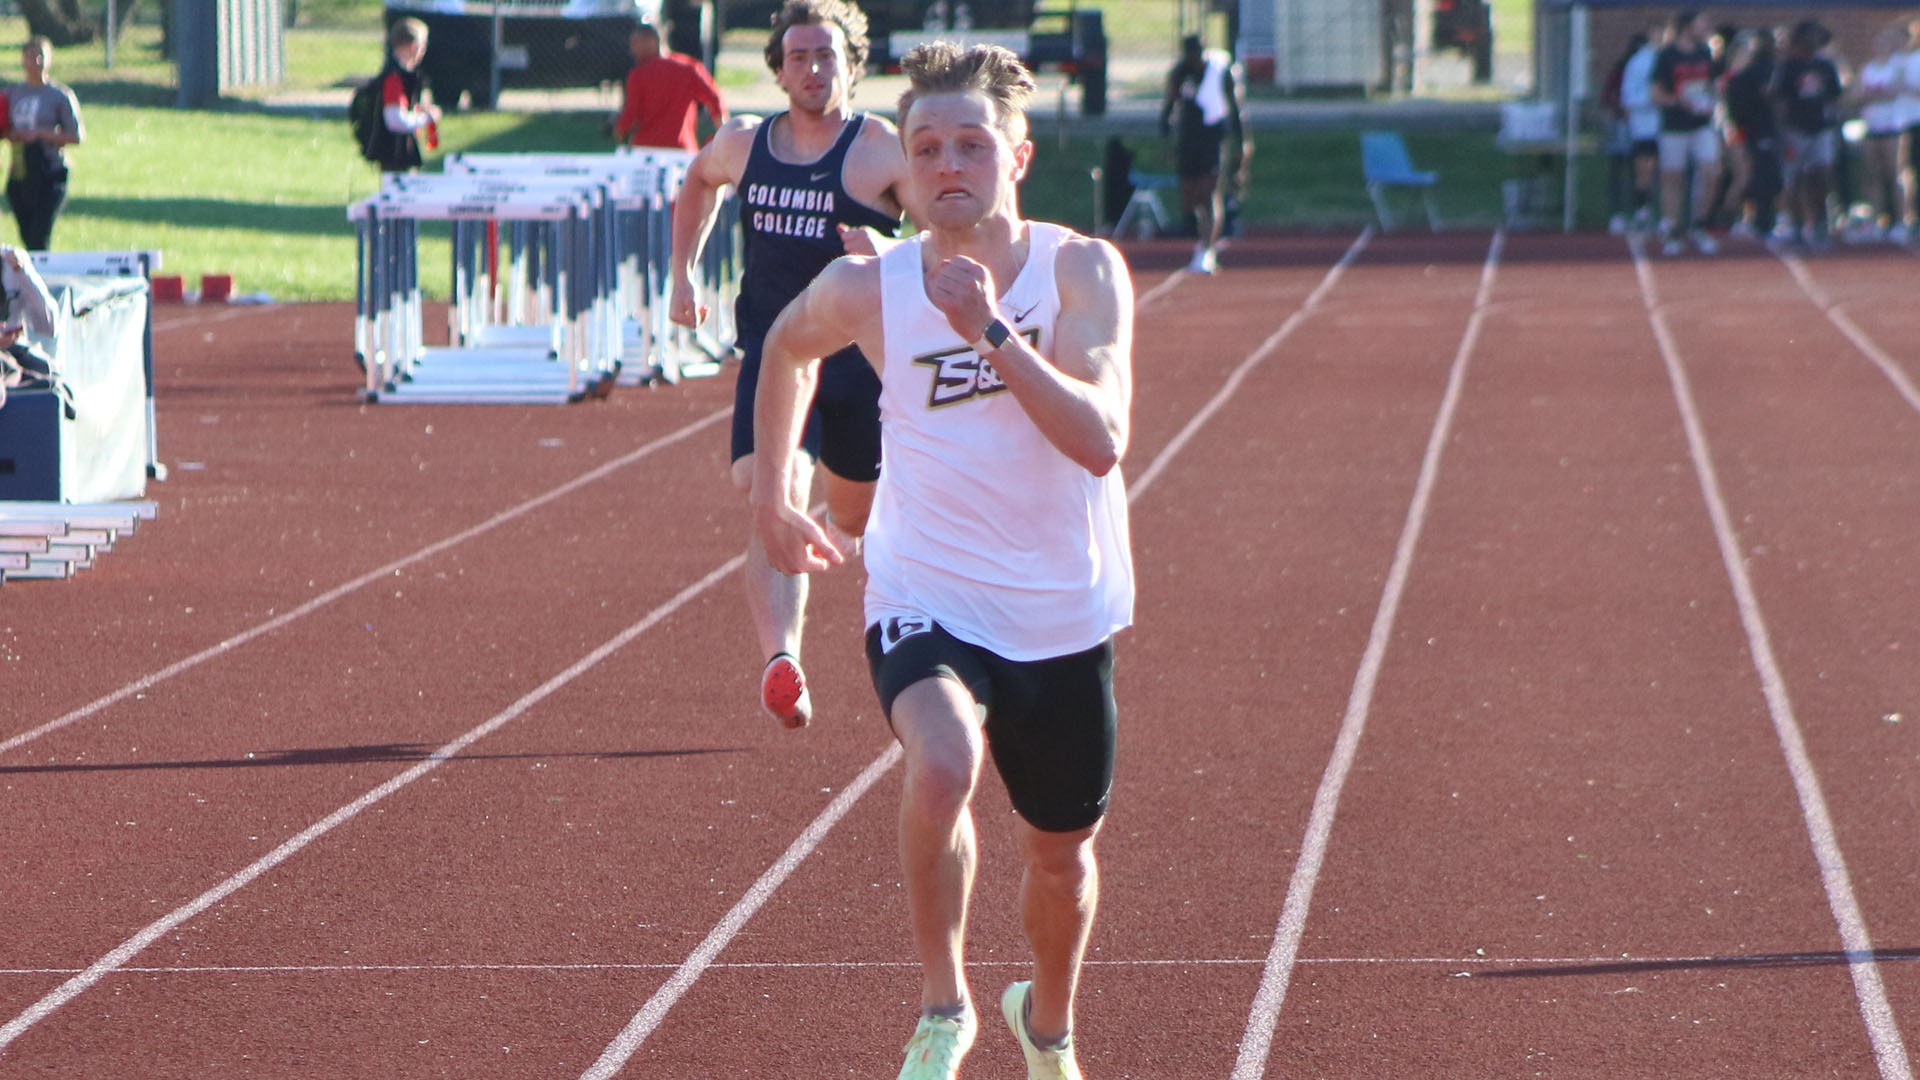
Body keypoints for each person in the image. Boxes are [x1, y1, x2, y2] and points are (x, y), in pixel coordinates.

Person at [751, 40, 1135, 1080]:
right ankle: (942, 1006)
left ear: (1019, 156)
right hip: (925, 588)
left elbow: (1100, 440)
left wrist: (991, 332)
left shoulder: (1079, 270)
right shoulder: (870, 285)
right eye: (926, 148)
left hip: (1058, 606)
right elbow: (784, 346)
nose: (948, 165)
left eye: (971, 144)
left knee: (1060, 858)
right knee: (944, 765)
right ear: (905, 169)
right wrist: (773, 497)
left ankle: (1045, 1025)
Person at [667, 0, 908, 727]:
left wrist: (894, 252)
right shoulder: (745, 143)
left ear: (852, 66)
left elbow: (952, 228)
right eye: (798, 56)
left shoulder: (882, 150)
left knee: (854, 514)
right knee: (768, 493)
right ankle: (783, 660)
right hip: (776, 358)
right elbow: (698, 180)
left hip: (860, 367)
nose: (812, 69)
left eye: (826, 55)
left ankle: (846, 529)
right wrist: (683, 272)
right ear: (778, 69)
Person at [1158, 34, 1244, 275]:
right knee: (1190, 197)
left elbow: (1234, 108)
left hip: (1212, 139)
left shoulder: (1220, 72)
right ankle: (1201, 238)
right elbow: (1168, 105)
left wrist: (1241, 143)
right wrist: (1165, 138)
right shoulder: (1179, 73)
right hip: (1187, 140)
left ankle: (1207, 248)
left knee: (1209, 193)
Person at [1652, 9, 1723, 255]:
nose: (1705, 27)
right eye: (1700, 23)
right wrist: (1678, 101)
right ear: (1687, 27)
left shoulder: (1705, 52)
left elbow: (1713, 84)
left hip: (1702, 124)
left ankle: (1699, 225)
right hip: (1674, 126)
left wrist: (1712, 100)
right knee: (1673, 178)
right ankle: (1671, 229)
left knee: (1711, 171)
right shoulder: (1667, 55)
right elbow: (1656, 93)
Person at [5, 37, 82, 251]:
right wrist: (14, 135)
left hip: (50, 172)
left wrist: (40, 134)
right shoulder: (12, 95)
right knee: (28, 235)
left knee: (39, 235)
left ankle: (41, 270)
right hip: (21, 172)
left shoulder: (59, 96)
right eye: (30, 56)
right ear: (22, 60)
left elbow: (75, 136)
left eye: (41, 55)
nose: (36, 61)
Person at [1773, 18, 1843, 251]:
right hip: (1796, 129)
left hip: (1821, 129)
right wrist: (1782, 132)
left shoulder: (1826, 65)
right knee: (1795, 180)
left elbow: (1834, 96)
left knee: (1820, 176)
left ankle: (1821, 224)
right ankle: (1797, 226)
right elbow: (1779, 99)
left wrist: (1833, 122)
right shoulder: (1788, 66)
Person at [611, 19, 726, 152]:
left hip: (645, 150)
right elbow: (714, 99)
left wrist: (619, 131)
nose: (632, 49)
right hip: (682, 149)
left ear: (652, 41)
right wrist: (723, 135)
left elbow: (630, 115)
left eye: (636, 42)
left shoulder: (638, 74)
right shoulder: (689, 68)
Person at [1724, 27, 1783, 241]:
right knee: (1744, 178)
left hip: (1756, 131)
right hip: (1739, 131)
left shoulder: (1757, 74)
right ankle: (1730, 218)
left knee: (1759, 177)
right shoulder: (1734, 79)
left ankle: (1751, 218)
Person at [1853, 24, 1910, 242]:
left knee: (1894, 173)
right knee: (1872, 174)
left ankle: (1901, 220)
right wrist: (1874, 95)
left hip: (1892, 126)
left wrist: (1874, 95)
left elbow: (1894, 91)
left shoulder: (1897, 67)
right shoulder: (1867, 69)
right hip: (1872, 126)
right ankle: (1877, 219)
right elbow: (1857, 94)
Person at [369, 18, 440, 174]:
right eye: (422, 45)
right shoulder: (394, 78)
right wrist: (426, 118)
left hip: (401, 155)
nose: (423, 50)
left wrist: (418, 111)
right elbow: (395, 121)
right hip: (395, 157)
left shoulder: (403, 76)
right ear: (413, 45)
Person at [0, 242, 53, 411]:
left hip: (14, 350)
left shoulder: (11, 262)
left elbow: (49, 327)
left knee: (47, 370)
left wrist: (22, 273)